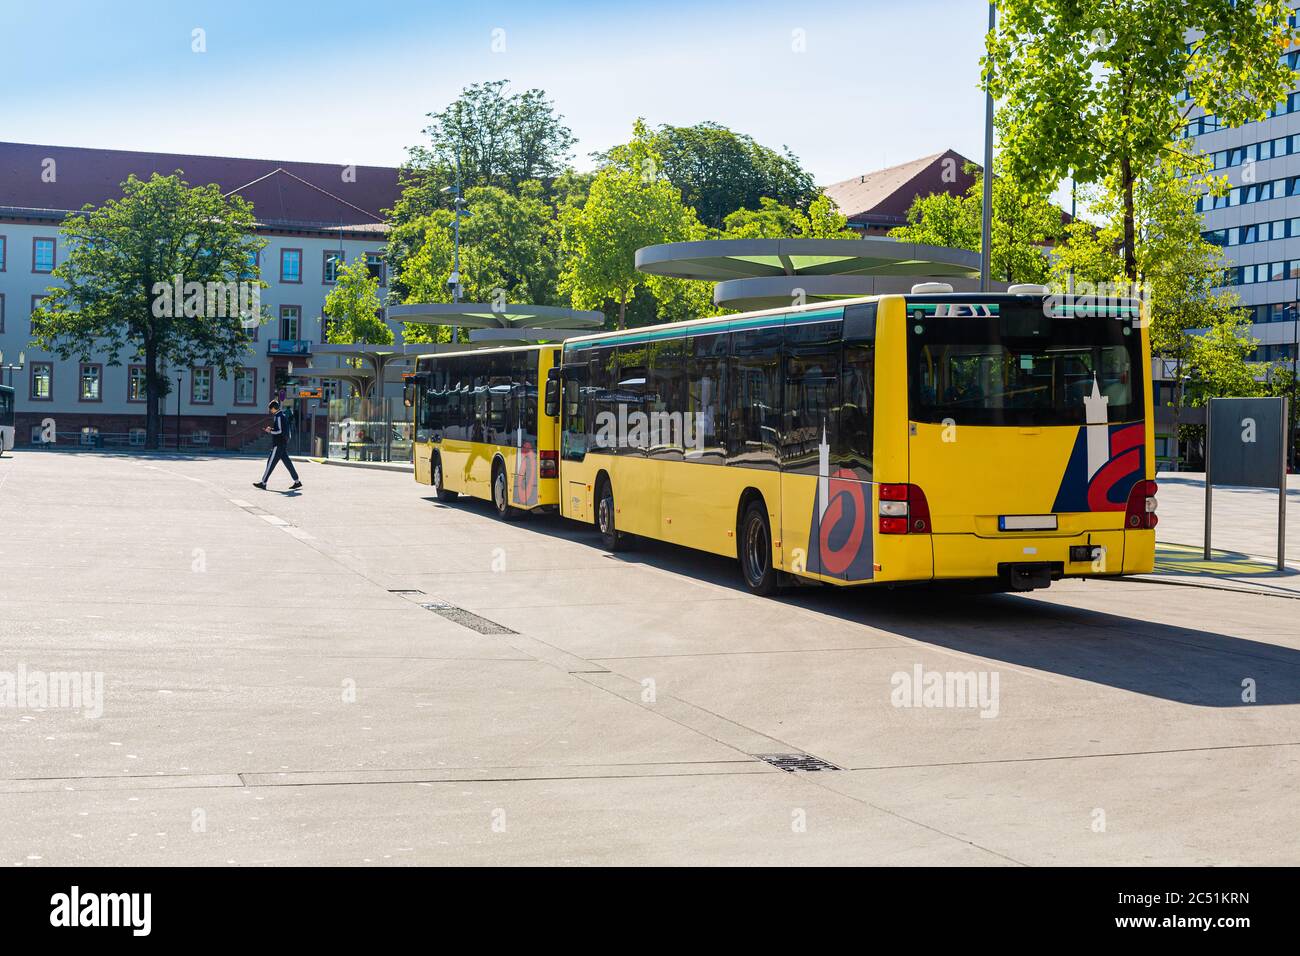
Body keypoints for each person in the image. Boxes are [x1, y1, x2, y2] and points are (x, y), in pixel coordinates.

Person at [253, 400, 302, 490]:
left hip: (278, 444)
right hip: (282, 443)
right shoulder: (282, 415)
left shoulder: (278, 416)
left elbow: (279, 431)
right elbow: (282, 429)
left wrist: (270, 431)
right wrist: (272, 429)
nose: (270, 411)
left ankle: (263, 482)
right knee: (288, 463)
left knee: (270, 463)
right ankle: (297, 481)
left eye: (270, 409)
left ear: (274, 408)